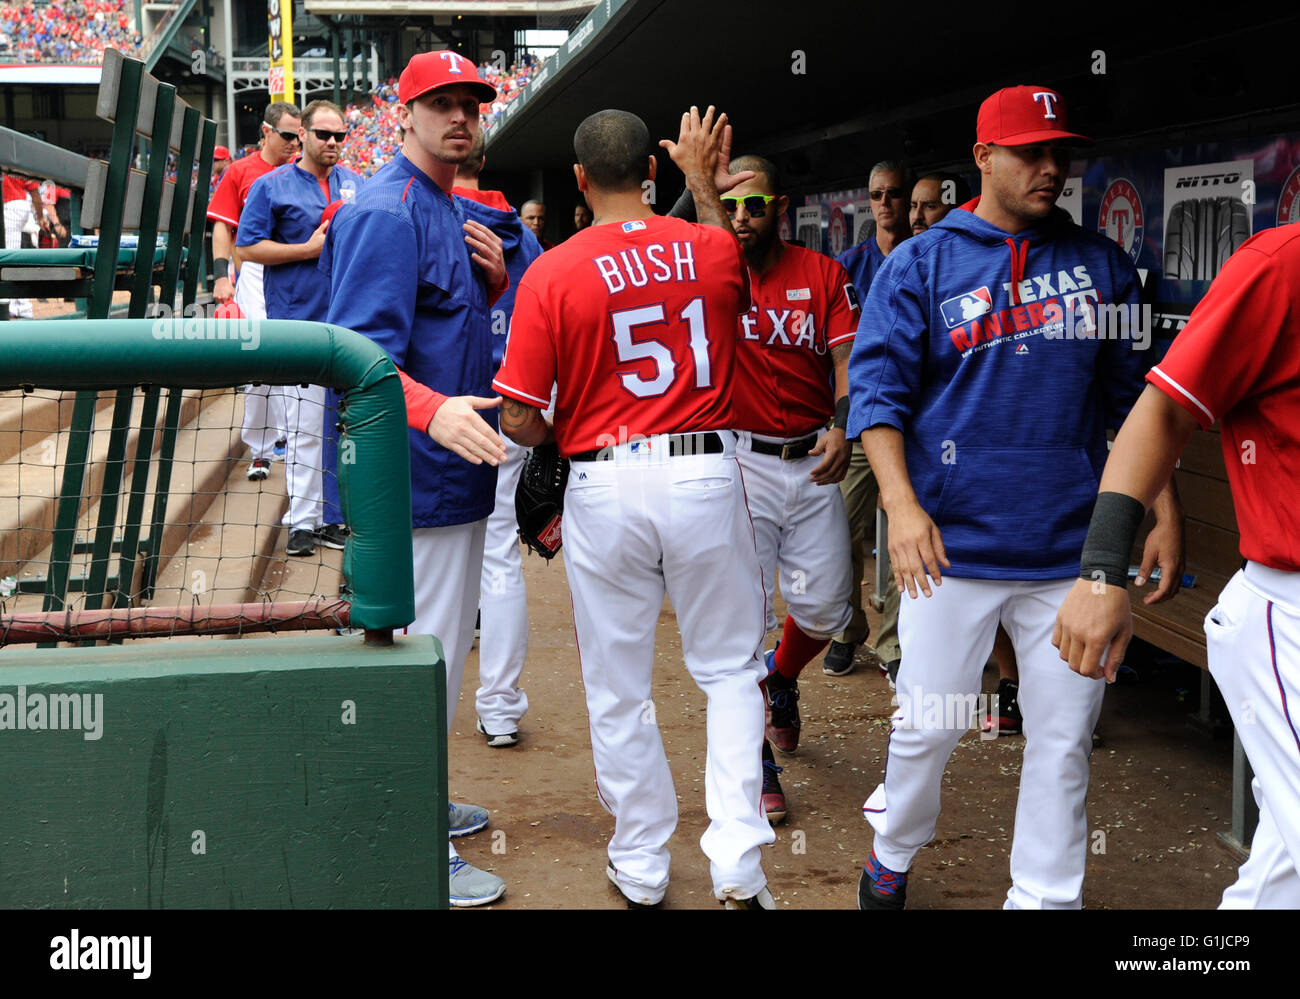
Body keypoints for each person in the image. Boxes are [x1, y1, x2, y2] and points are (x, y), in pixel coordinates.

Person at [847, 85, 1184, 910]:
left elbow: (1137, 407)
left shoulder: (1101, 263)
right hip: (950, 549)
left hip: (1071, 554)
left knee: (1063, 739)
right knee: (928, 727)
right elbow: (877, 398)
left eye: (1059, 152)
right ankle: (893, 848)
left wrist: (1160, 510)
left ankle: (1044, 896)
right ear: (983, 158)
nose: (1050, 167)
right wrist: (900, 504)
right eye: (1030, 151)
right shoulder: (922, 261)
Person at [492, 106, 778, 909]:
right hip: (704, 471)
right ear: (649, 173)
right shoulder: (713, 246)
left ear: (580, 181)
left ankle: (644, 860)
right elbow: (729, 272)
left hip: (605, 477)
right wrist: (701, 182)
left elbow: (517, 416)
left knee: (619, 685)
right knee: (728, 670)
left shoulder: (550, 269)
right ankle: (737, 861)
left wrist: (557, 428)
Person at [1053, 223, 1300, 908]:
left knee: (1282, 878)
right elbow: (1162, 411)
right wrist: (1103, 568)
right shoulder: (1282, 265)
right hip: (1291, 618)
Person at [322, 48, 510, 908]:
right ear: (404, 115)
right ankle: (401, 832)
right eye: (440, 102)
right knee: (414, 668)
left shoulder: (443, 204)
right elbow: (356, 357)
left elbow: (440, 330)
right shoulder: (388, 209)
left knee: (439, 656)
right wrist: (432, 410)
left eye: (471, 100)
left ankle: (419, 800)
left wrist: (493, 289)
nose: (459, 115)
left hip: (450, 479)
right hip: (413, 484)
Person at [703, 154, 857, 826]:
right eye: (729, 204)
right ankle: (754, 757)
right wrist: (693, 189)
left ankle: (781, 677)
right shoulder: (710, 272)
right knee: (744, 616)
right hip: (739, 458)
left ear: (780, 207)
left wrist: (844, 426)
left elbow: (848, 361)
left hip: (812, 455)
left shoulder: (821, 272)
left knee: (826, 609)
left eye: (754, 204)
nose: (742, 217)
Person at [451, 130, 545, 748]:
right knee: (500, 556)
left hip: (448, 410)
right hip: (514, 404)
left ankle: (421, 709)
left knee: (440, 561)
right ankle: (502, 707)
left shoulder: (427, 216)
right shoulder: (525, 234)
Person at [239, 99, 362, 558]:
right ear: (303, 136)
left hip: (350, 325)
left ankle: (334, 517)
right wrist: (307, 250)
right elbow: (248, 248)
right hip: (297, 323)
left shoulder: (357, 185)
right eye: (323, 134)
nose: (332, 143)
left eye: (339, 136)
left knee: (345, 428)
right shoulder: (273, 185)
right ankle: (303, 521)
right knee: (305, 426)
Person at [824, 160, 913, 679]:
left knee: (908, 524)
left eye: (894, 194)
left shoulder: (930, 257)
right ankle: (848, 626)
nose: (885, 203)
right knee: (838, 530)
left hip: (914, 422)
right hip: (860, 420)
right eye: (877, 194)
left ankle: (894, 640)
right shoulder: (848, 265)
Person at [207, 101, 301, 480]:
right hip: (254, 276)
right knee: (261, 363)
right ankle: (261, 448)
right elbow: (221, 228)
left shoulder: (303, 172)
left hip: (300, 275)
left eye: (300, 135)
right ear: (266, 131)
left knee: (296, 363)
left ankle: (289, 441)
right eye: (288, 135)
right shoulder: (241, 171)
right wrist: (220, 276)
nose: (295, 143)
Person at [2, 171, 47, 318]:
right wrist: (40, 218)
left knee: (8, 259)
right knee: (10, 257)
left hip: (10, 206)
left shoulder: (9, 162)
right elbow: (35, 194)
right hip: (22, 206)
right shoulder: (18, 165)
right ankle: (19, 307)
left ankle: (20, 307)